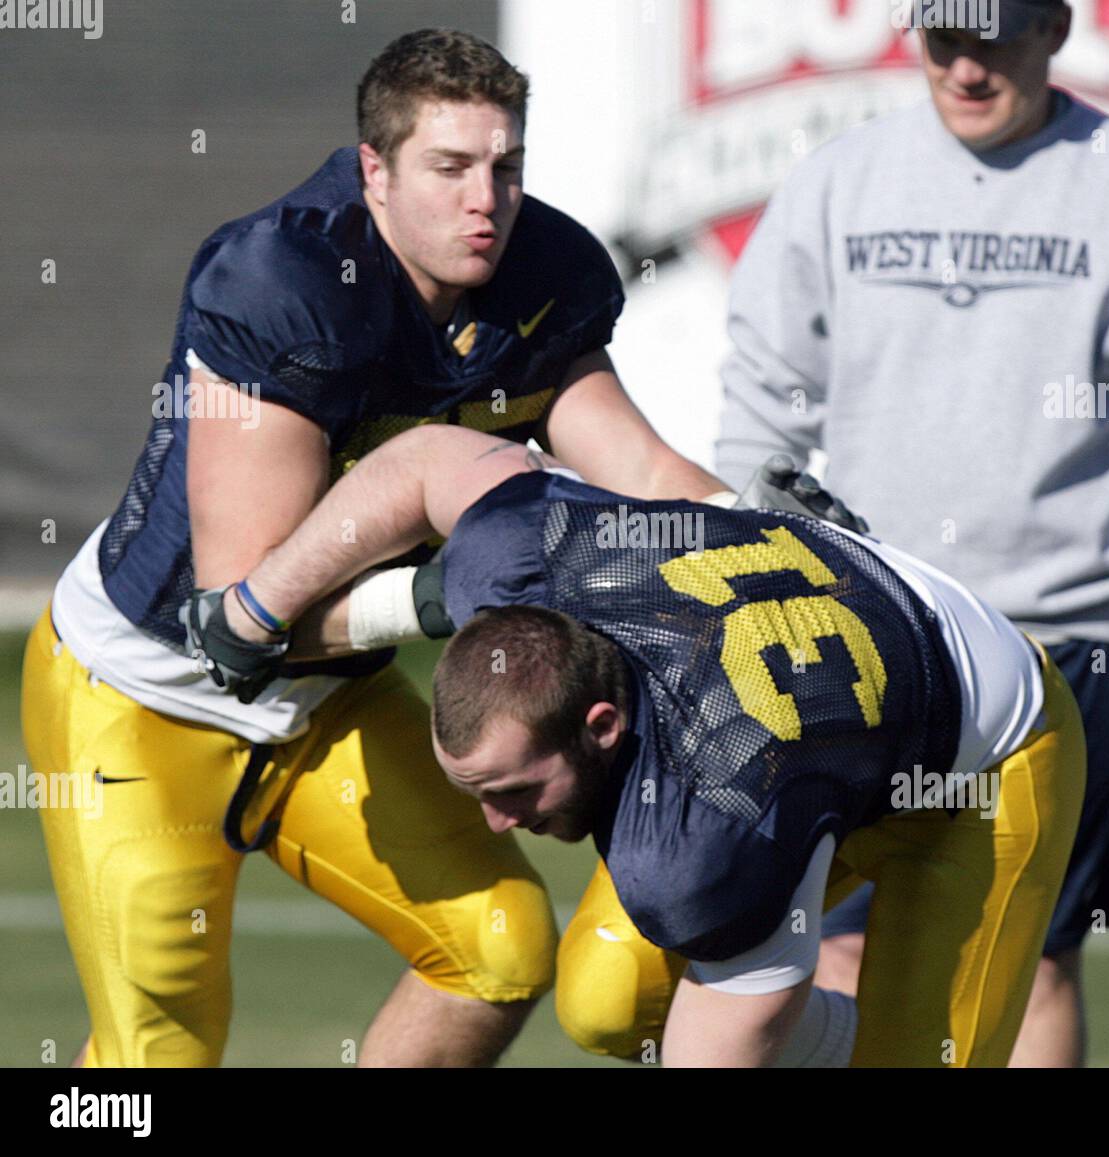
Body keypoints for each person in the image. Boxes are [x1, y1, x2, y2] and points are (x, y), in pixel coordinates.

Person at [20, 27, 727, 1067]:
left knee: (497, 948)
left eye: (506, 166)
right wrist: (450, 598)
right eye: (449, 167)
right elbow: (243, 621)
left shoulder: (544, 270)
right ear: (375, 171)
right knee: (156, 1052)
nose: (486, 199)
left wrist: (769, 533)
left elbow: (648, 475)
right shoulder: (286, 281)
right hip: (149, 691)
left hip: (327, 702)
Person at [714, 0, 1109, 1066]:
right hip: (876, 641)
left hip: (1076, 644)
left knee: (1030, 966)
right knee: (830, 958)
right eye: (944, 38)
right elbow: (762, 408)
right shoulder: (840, 182)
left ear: (1057, 28)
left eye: (997, 37)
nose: (967, 66)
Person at [206, 422, 1087, 1066]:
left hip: (979, 754)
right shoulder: (528, 563)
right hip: (819, 715)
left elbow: (725, 1038)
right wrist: (258, 606)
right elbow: (431, 457)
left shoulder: (710, 828)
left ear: (601, 724)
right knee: (610, 1000)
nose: (499, 823)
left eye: (514, 790)